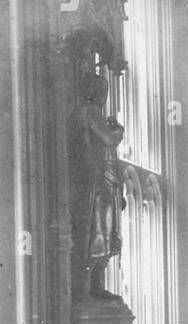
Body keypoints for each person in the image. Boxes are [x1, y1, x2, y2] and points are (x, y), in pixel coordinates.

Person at [71, 74, 126, 300]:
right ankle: (86, 289)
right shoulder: (89, 111)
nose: (104, 95)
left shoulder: (96, 113)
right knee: (99, 235)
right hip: (98, 181)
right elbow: (109, 139)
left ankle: (97, 287)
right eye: (102, 90)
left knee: (109, 234)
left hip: (109, 180)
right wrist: (119, 129)